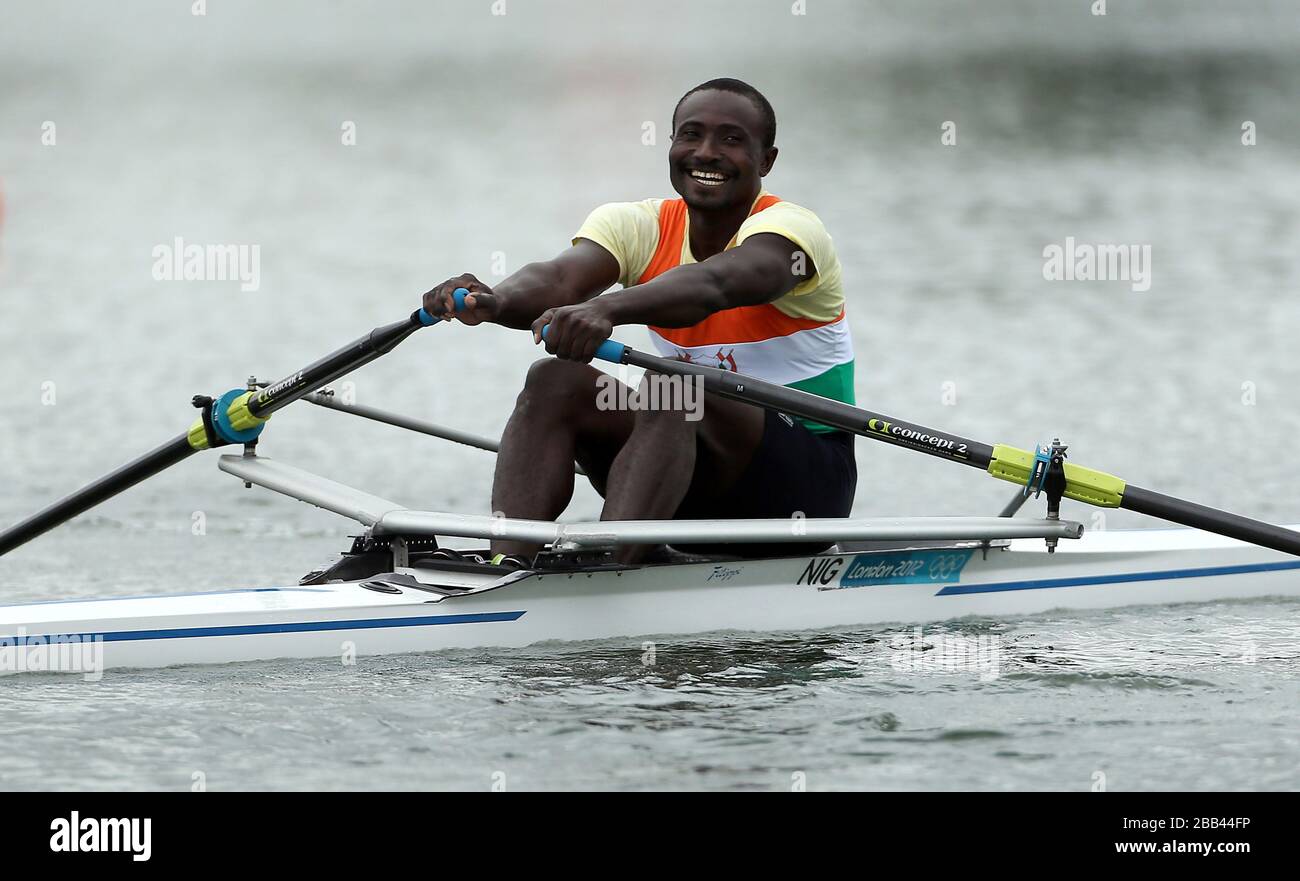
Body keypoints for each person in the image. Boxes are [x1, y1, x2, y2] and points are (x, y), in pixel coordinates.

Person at [424, 78, 856, 564]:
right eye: (690, 135)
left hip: (802, 493)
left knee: (675, 385)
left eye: (731, 140)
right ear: (671, 145)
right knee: (554, 379)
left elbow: (716, 285)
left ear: (766, 160)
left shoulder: (793, 232)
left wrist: (608, 309)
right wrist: (495, 301)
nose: (706, 153)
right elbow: (559, 280)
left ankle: (614, 565)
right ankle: (505, 566)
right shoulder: (636, 224)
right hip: (686, 476)